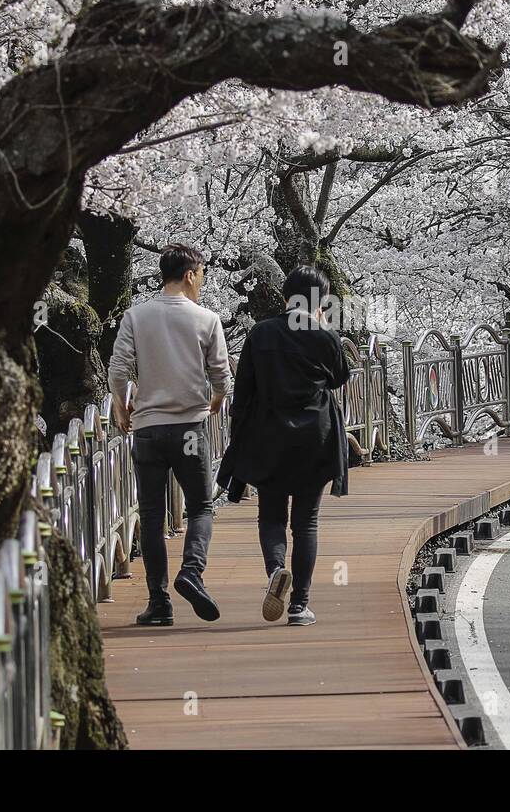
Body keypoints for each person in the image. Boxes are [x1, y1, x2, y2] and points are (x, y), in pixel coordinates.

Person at [216, 265, 350, 626]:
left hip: (269, 436)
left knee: (272, 515)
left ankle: (276, 570)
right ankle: (299, 605)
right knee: (306, 521)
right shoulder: (325, 336)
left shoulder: (261, 334)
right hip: (315, 439)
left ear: (286, 296)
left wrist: (237, 442)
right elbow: (339, 378)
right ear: (321, 301)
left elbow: (243, 392)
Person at [108, 243, 231, 626]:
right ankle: (191, 571)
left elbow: (118, 369)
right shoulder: (206, 319)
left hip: (147, 429)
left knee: (150, 513)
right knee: (200, 505)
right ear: (191, 274)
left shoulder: (136, 316)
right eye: (203, 275)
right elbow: (222, 377)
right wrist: (213, 401)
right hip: (189, 429)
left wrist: (119, 404)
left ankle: (159, 602)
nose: (203, 282)